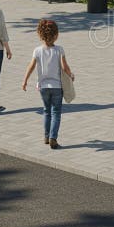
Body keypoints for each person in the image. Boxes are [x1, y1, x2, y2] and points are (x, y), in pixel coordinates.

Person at [21, 19, 74, 149]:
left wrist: (25, 80)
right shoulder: (59, 50)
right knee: (56, 112)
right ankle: (53, 138)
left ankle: (46, 136)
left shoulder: (37, 51)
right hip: (57, 87)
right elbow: (65, 67)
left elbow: (31, 66)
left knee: (46, 111)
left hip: (43, 87)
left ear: (40, 35)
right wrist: (71, 75)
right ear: (56, 35)